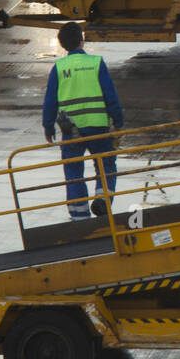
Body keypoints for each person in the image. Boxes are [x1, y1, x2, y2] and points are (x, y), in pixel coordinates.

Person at [42, 22, 125, 219]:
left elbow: (50, 100)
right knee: (106, 164)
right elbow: (110, 95)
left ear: (62, 45)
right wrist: (118, 121)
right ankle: (103, 200)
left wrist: (48, 126)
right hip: (98, 126)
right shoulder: (96, 63)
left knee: (73, 170)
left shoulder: (59, 68)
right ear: (82, 40)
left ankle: (79, 214)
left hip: (71, 129)